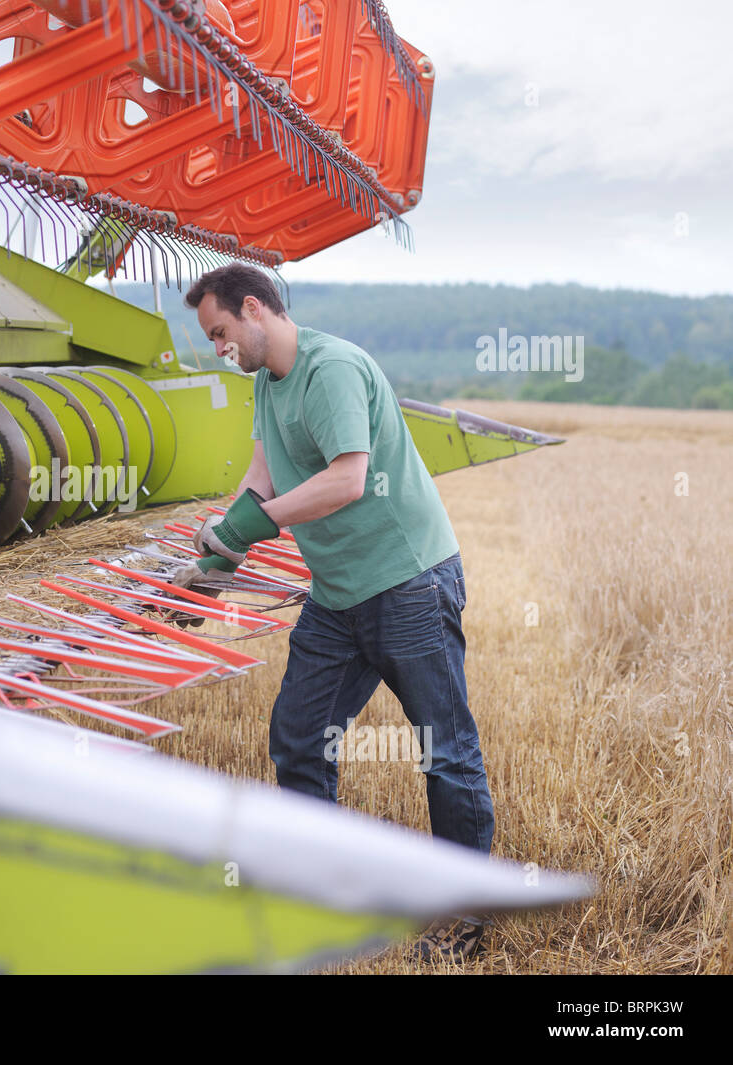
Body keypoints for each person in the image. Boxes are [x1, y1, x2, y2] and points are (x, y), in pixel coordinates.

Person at [180, 263, 496, 962]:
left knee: (445, 751)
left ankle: (465, 920)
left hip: (409, 581)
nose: (218, 349)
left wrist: (245, 529)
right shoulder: (267, 382)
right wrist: (216, 564)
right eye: (211, 339)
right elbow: (261, 479)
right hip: (337, 593)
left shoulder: (333, 370)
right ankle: (321, 893)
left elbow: (348, 479)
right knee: (297, 739)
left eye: (221, 333)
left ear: (255, 308)